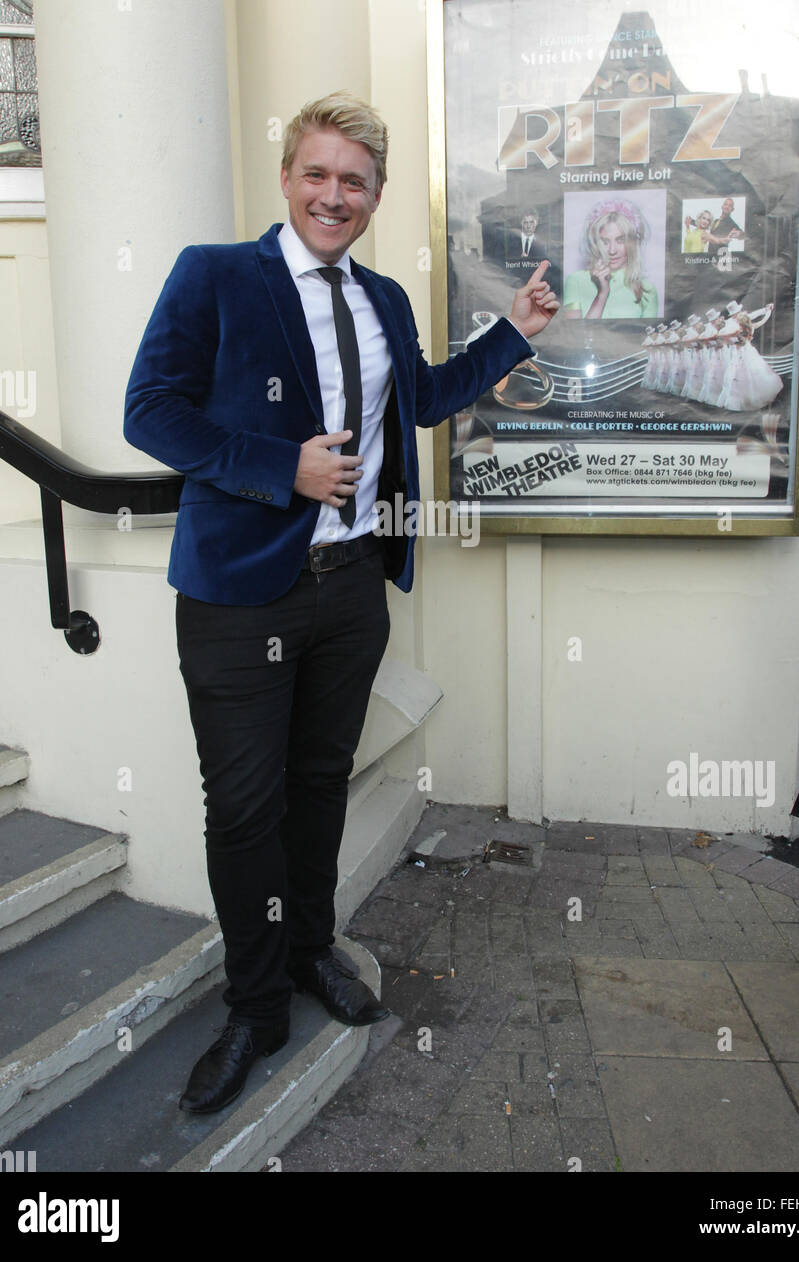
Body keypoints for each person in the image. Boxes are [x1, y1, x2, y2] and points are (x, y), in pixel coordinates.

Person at [123, 92, 558, 1115]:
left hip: (350, 589)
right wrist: (284, 466)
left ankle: (312, 951)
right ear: (286, 178)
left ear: (374, 196)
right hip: (238, 596)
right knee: (242, 807)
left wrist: (517, 332)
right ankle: (254, 1005)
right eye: (316, 174)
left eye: (353, 182)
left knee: (321, 780)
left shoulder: (382, 303)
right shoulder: (217, 275)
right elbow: (152, 411)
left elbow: (426, 396)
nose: (333, 195)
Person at [563, 201, 658, 319]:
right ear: (596, 244)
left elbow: (645, 336)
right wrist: (602, 294)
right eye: (605, 242)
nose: (612, 251)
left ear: (632, 243)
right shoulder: (576, 281)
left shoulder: (647, 290)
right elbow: (575, 334)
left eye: (620, 240)